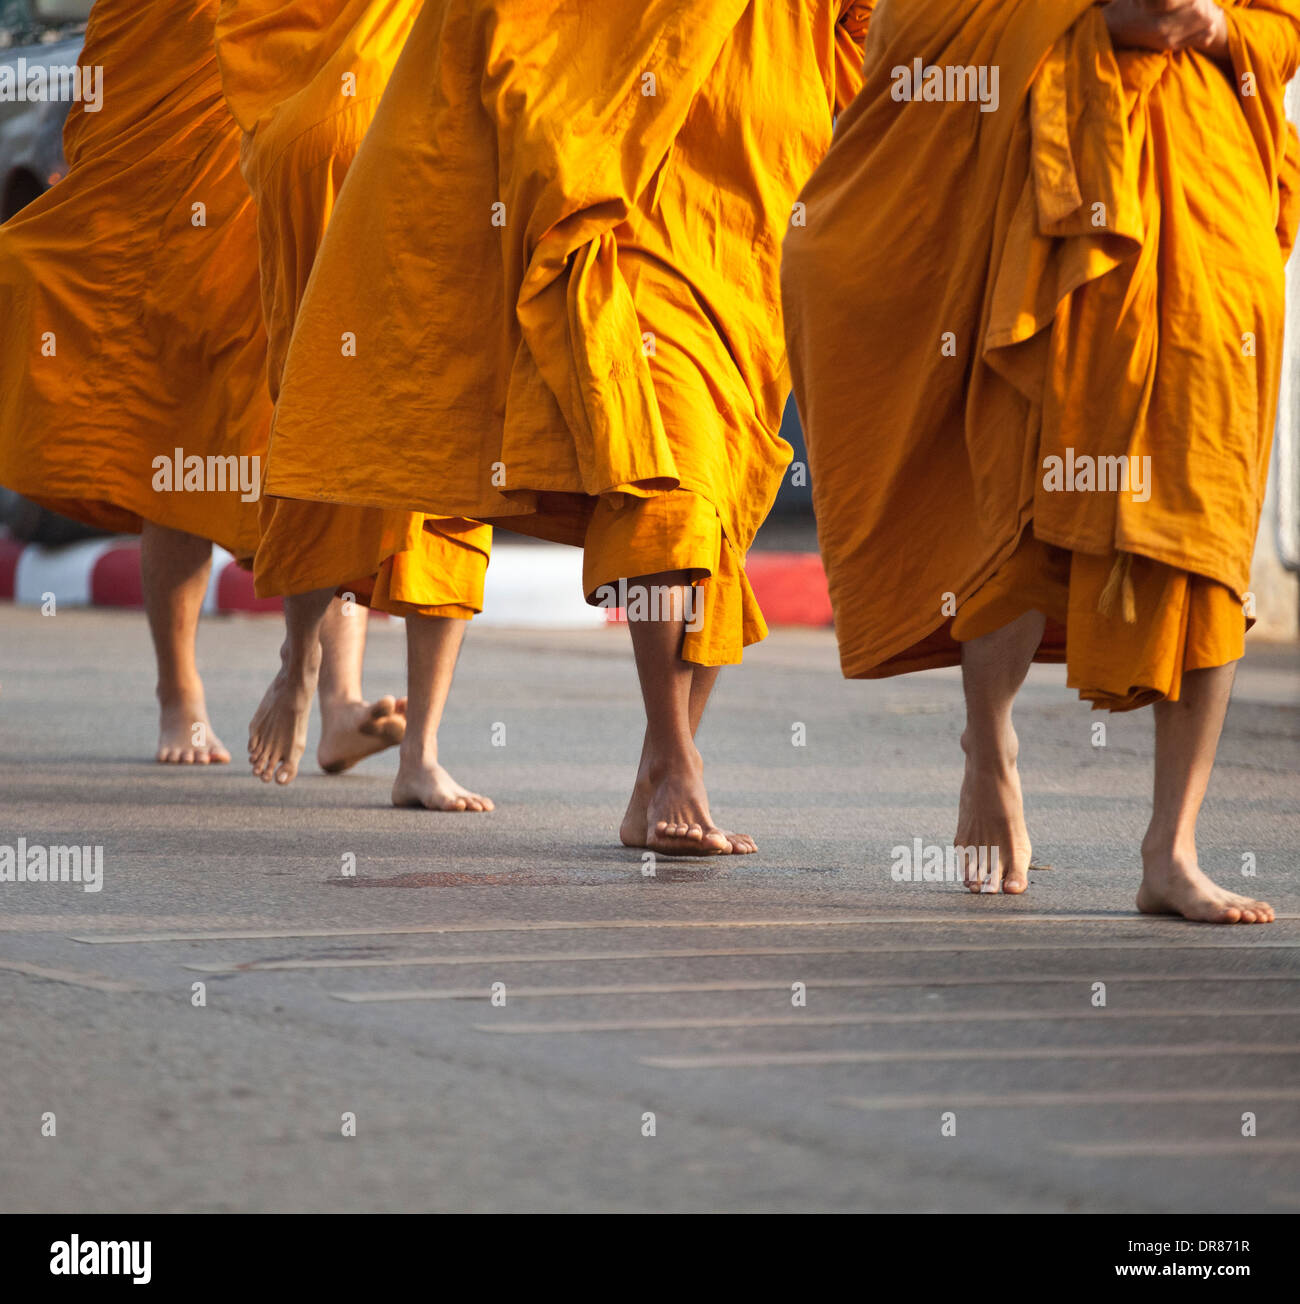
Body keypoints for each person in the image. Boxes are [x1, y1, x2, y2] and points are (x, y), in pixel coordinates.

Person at [258, 0, 873, 853]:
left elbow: (864, 41)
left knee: (718, 522)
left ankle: (651, 788)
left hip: (747, 230)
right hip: (629, 221)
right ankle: (676, 760)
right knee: (668, 489)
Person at [783, 0, 1293, 920]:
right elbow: (918, 27)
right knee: (1018, 502)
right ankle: (989, 746)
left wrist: (1214, 26)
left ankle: (1171, 850)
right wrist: (1091, 17)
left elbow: (1280, 27)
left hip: (1208, 213)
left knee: (1206, 525)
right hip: (1044, 201)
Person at [0, 0, 406, 774]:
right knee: (182, 435)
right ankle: (179, 694)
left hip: (296, 159)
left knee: (321, 412)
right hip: (182, 189)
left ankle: (339, 698)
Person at [216, 0, 494, 806]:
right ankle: (307, 667)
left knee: (439, 456)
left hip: (445, 150)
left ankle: (412, 748)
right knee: (344, 430)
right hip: (341, 144)